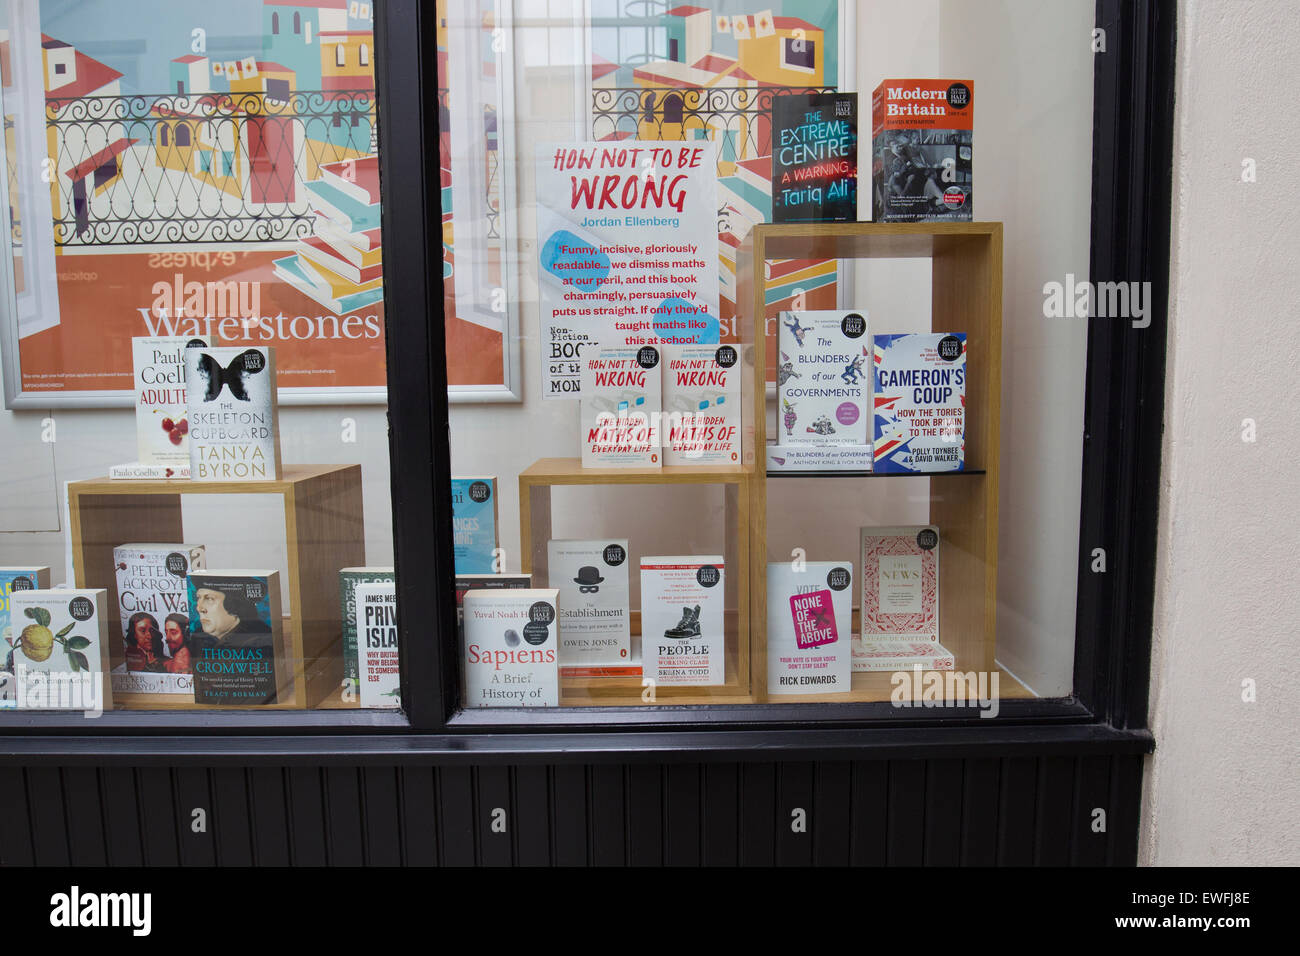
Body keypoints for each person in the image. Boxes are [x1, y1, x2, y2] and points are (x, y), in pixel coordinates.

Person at [190, 583, 276, 704]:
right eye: (199, 597)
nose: (199, 607)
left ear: (234, 606)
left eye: (209, 599)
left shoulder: (261, 640)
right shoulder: (198, 638)